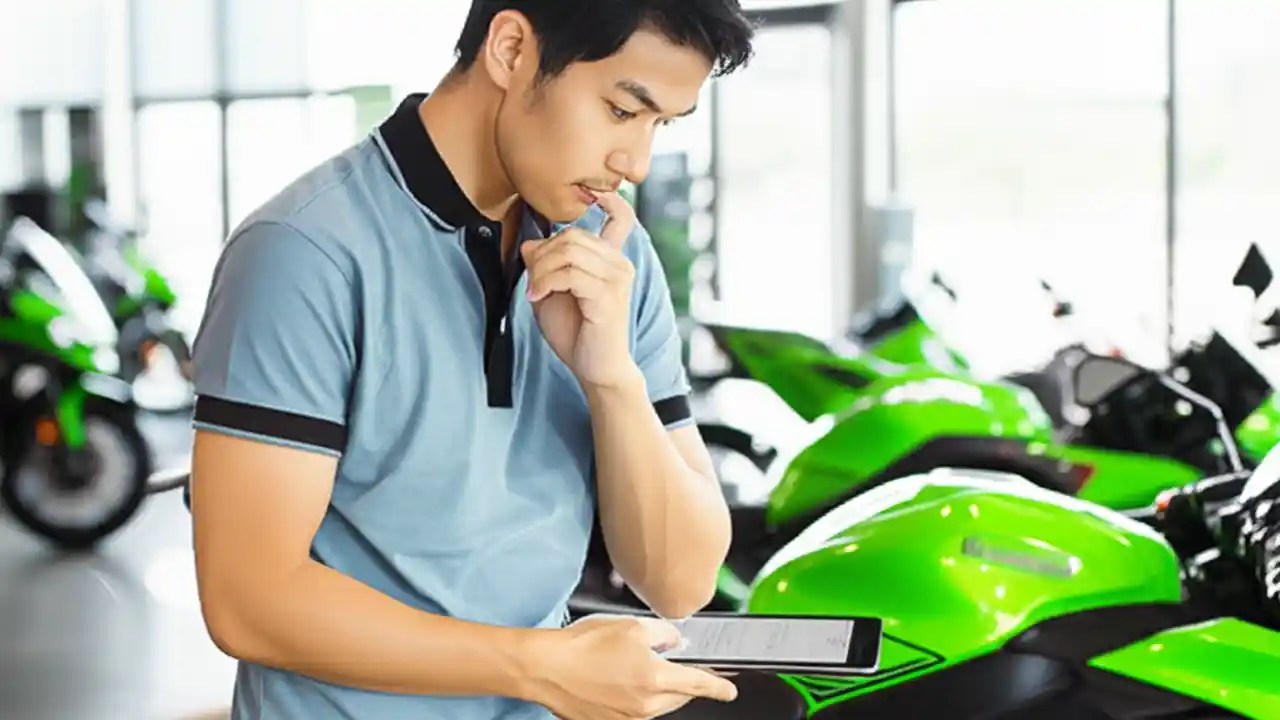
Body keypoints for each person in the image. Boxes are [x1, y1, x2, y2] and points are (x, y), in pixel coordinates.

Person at [187, 1, 756, 718]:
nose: (635, 163)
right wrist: (539, 667)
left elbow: (681, 581)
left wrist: (611, 378)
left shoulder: (613, 256)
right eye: (620, 110)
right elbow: (249, 600)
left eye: (659, 125)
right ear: (512, 48)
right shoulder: (303, 252)